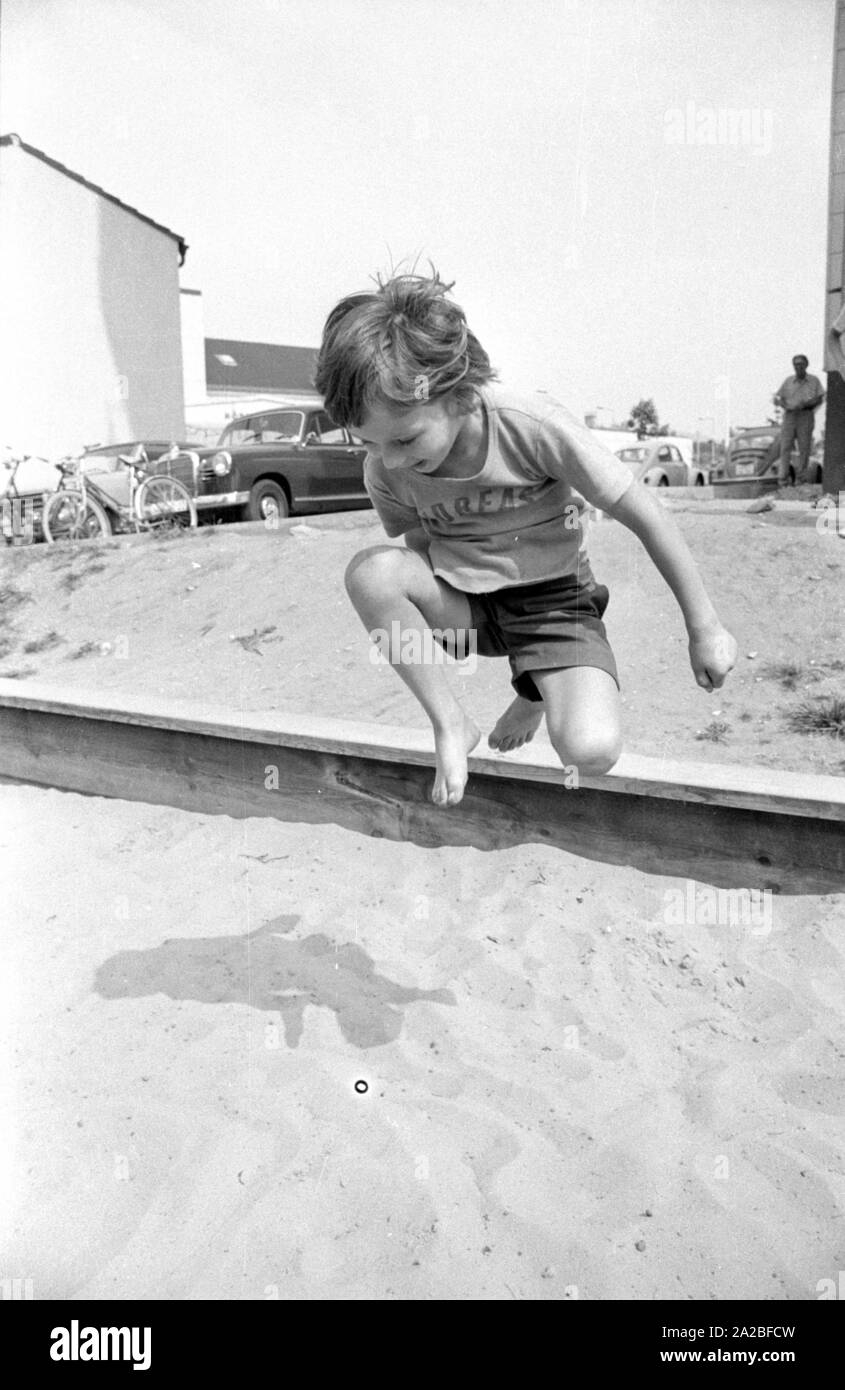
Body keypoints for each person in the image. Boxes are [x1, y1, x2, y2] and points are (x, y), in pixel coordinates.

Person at [315, 270, 737, 807]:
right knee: (371, 573)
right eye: (372, 444)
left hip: (553, 602)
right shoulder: (388, 466)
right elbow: (419, 546)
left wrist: (705, 628)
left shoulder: (528, 423)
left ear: (460, 394)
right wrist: (431, 618)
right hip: (467, 603)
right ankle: (451, 725)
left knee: (591, 751)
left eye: (405, 438)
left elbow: (646, 514)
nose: (391, 459)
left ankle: (535, 689)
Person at [772, 355, 825, 486]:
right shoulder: (788, 381)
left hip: (805, 415)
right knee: (785, 447)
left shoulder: (814, 381)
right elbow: (780, 398)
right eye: (795, 364)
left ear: (806, 365)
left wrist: (806, 404)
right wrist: (783, 404)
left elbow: (819, 398)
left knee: (804, 448)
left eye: (801, 364)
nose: (798, 367)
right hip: (790, 416)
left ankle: (801, 479)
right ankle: (783, 479)